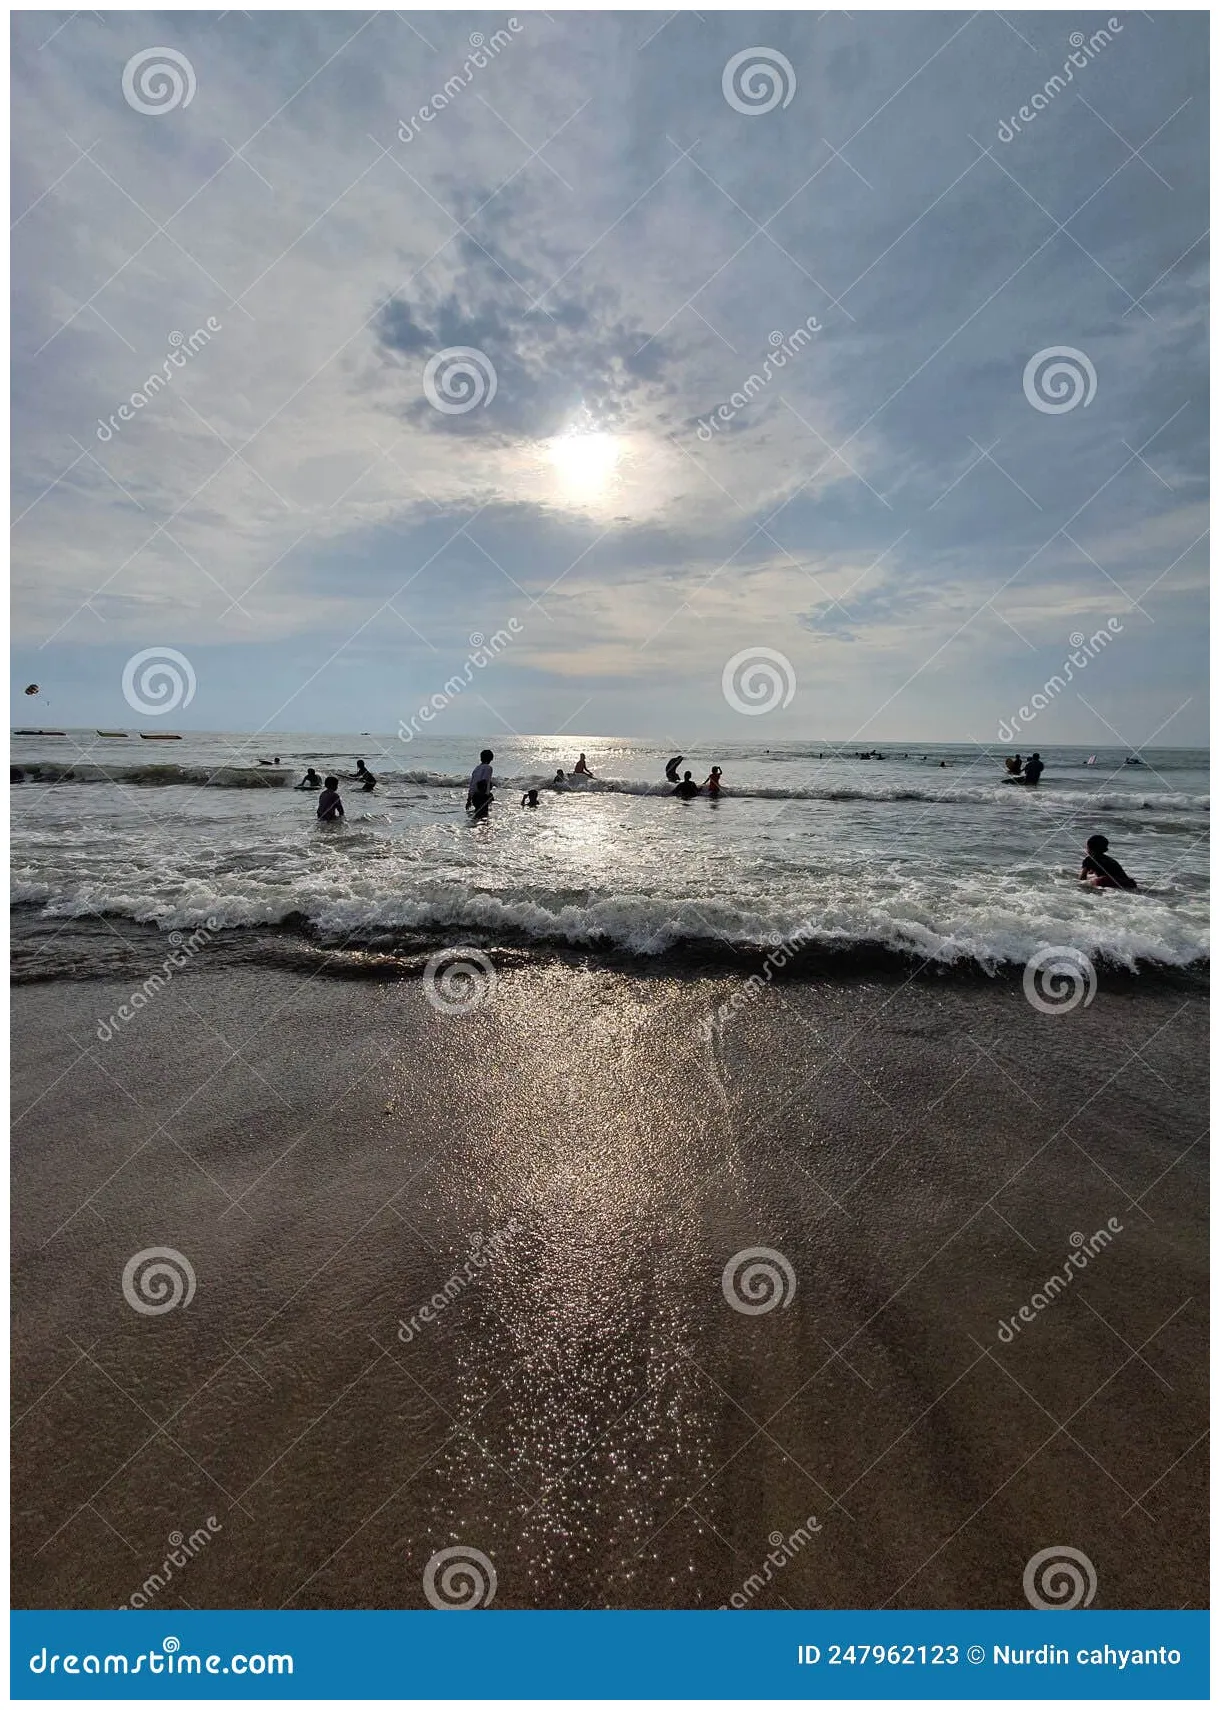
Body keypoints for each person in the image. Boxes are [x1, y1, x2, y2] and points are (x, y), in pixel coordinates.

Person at [467, 748, 494, 818]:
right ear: (491, 759)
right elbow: (483, 782)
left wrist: (469, 800)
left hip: (474, 796)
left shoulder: (477, 768)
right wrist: (488, 795)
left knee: (477, 815)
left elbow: (472, 784)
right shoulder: (488, 768)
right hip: (481, 796)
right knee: (483, 817)